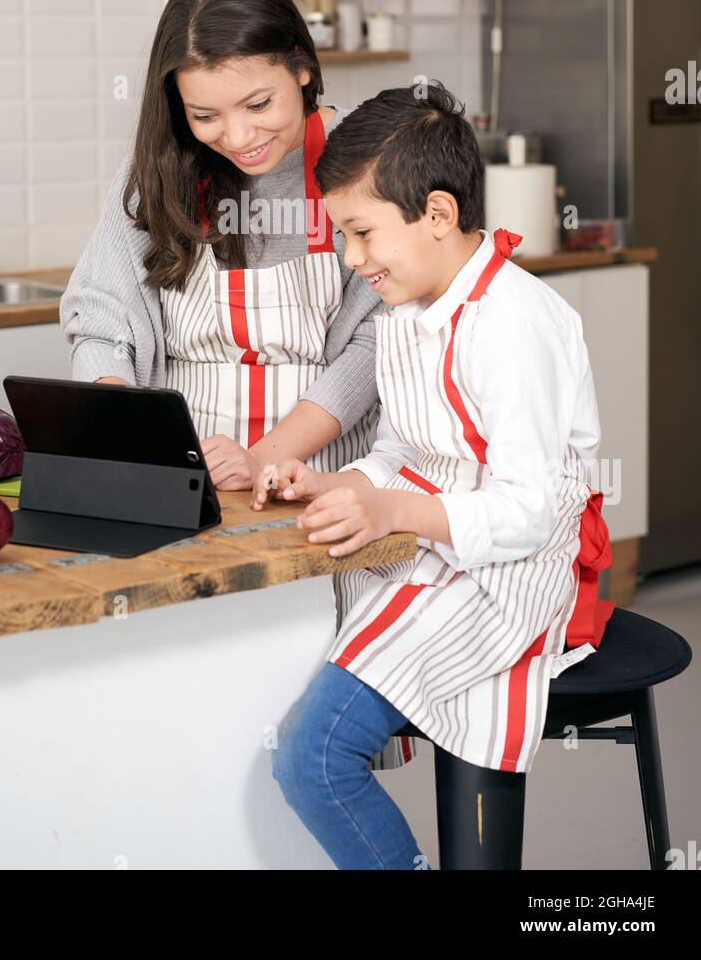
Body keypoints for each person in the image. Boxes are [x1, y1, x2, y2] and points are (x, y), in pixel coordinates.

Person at [254, 81, 616, 870]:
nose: (353, 259)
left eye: (361, 233)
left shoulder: (514, 326)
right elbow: (404, 449)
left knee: (311, 761)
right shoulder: (410, 309)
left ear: (440, 215)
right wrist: (349, 483)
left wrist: (392, 512)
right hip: (440, 547)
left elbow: (523, 512)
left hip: (511, 569)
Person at [59, 0, 382, 496]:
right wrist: (117, 425)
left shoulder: (365, 163)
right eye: (205, 115)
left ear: (301, 67)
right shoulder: (157, 172)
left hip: (320, 483)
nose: (238, 137)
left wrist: (260, 461)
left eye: (258, 105)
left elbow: (373, 347)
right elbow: (101, 318)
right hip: (178, 480)